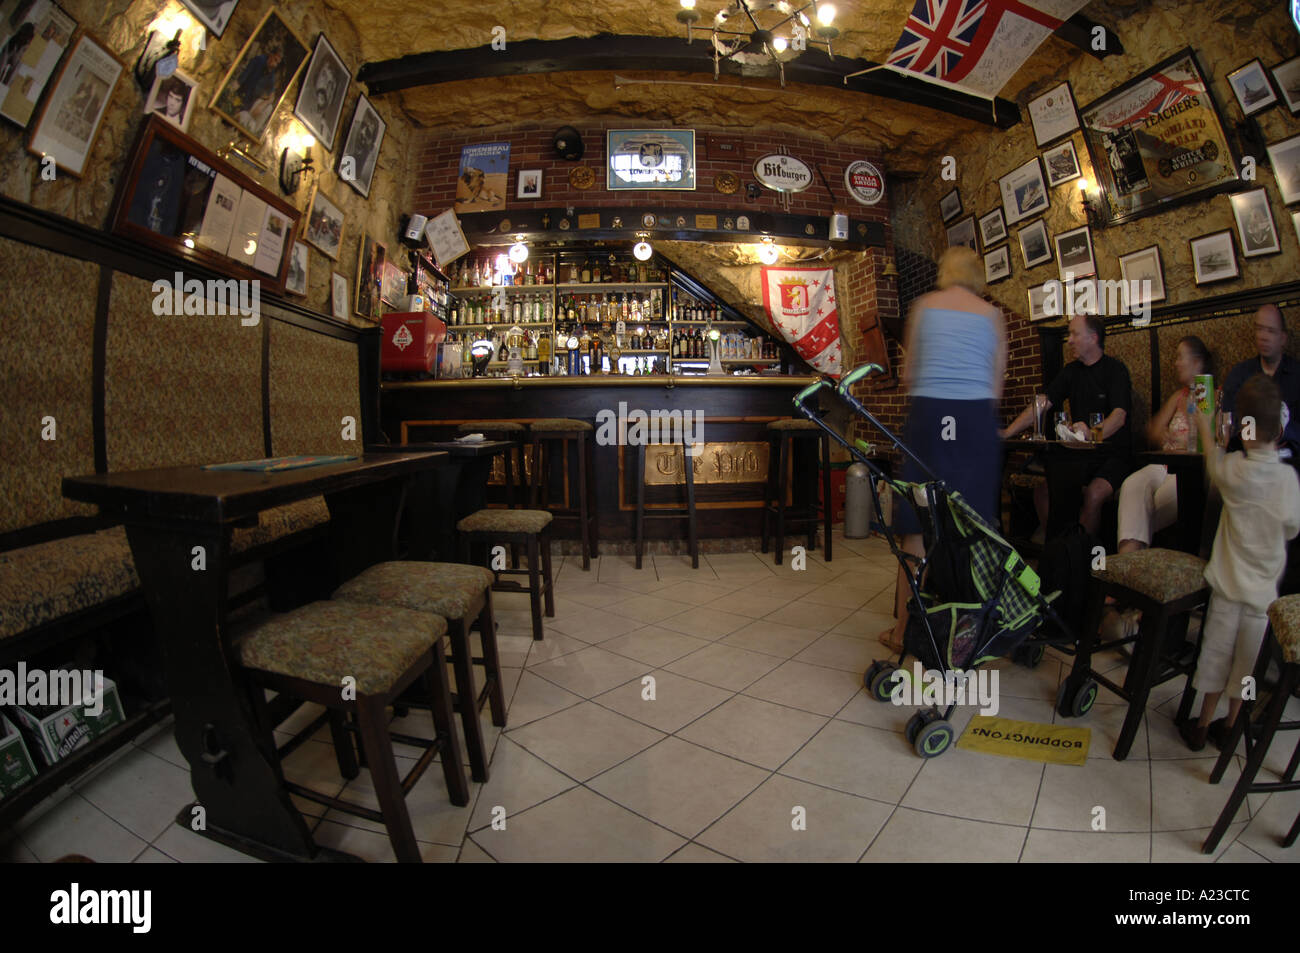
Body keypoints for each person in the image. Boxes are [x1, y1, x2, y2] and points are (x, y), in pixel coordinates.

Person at [877, 247, 1007, 650]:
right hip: (975, 424)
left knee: (916, 525)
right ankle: (972, 634)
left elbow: (908, 376)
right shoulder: (992, 316)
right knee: (976, 525)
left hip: (930, 419)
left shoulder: (923, 307)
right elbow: (996, 387)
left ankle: (902, 631)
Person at [1180, 374, 1300, 750]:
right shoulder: (1287, 479)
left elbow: (1210, 457)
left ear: (1245, 430)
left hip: (1227, 588)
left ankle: (1201, 724)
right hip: (1262, 595)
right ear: (1278, 430)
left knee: (1215, 653)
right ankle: (1231, 725)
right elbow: (1293, 528)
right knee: (1246, 665)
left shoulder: (1233, 469)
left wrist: (1204, 415)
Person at [1102, 336, 1213, 638]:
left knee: (1145, 510)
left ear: (1198, 363)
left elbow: (1207, 441)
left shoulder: (1205, 391)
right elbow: (1152, 430)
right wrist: (1170, 437)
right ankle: (1127, 577)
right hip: (1162, 465)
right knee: (1132, 484)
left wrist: (1181, 439)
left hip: (1186, 473)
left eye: (1181, 357)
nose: (1176, 362)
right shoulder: (1178, 396)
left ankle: (1124, 590)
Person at [1001, 314, 1133, 538]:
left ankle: (1080, 558)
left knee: (1093, 494)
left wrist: (1091, 434)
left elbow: (1119, 417)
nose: (1069, 340)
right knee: (1043, 492)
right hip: (1080, 458)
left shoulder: (1115, 369)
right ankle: (1061, 549)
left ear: (1092, 338)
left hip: (1114, 455)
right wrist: (1007, 432)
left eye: (1074, 334)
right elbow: (1042, 403)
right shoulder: (1071, 371)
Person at [1221, 305, 1299, 453]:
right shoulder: (1239, 374)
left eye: (1270, 331)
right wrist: (1258, 440)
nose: (1263, 336)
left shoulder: (1297, 374)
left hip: (1291, 465)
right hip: (1247, 462)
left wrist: (1282, 432)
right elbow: (1229, 423)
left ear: (1283, 338)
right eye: (1259, 329)